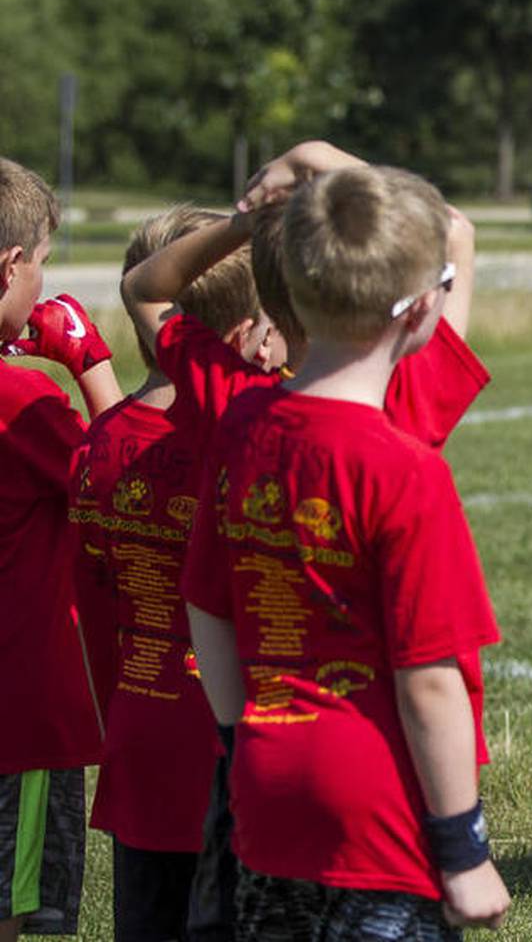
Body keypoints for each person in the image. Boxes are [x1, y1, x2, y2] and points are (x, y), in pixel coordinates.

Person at [119, 140, 490, 939]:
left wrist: (231, 741)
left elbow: (205, 606)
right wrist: (463, 848)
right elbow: (429, 680)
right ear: (424, 308)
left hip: (261, 776)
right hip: (381, 806)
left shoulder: (239, 419)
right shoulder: (410, 450)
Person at [71, 205, 277, 942]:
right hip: (241, 746)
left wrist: (110, 724)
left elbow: (93, 613)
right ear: (242, 329)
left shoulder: (99, 441)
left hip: (138, 734)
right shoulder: (250, 433)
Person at [0, 156, 122, 940]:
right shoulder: (27, 401)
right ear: (10, 266)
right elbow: (121, 487)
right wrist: (90, 361)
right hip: (20, 716)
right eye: (41, 264)